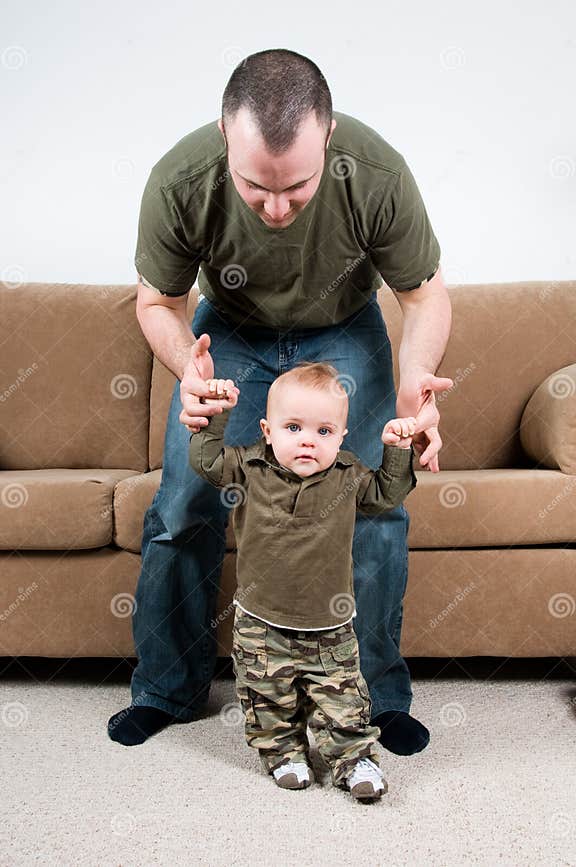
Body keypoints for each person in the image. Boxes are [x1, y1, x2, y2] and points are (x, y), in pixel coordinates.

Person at [108, 48, 453, 752]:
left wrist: (416, 377)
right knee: (183, 505)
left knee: (376, 510)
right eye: (254, 188)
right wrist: (189, 369)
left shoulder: (376, 174)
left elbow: (422, 295)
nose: (274, 208)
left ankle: (377, 693)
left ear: (328, 139)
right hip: (229, 333)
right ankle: (168, 688)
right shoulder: (181, 180)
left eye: (295, 189)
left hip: (344, 330)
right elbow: (160, 302)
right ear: (223, 136)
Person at [188, 362, 420, 800]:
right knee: (266, 696)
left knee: (343, 698)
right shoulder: (247, 466)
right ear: (268, 430)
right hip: (261, 622)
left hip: (328, 625)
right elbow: (206, 460)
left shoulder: (349, 477)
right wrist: (217, 414)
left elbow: (388, 494)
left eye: (325, 432)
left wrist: (397, 450)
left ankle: (353, 758)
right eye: (293, 427)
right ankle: (283, 753)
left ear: (342, 438)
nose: (309, 440)